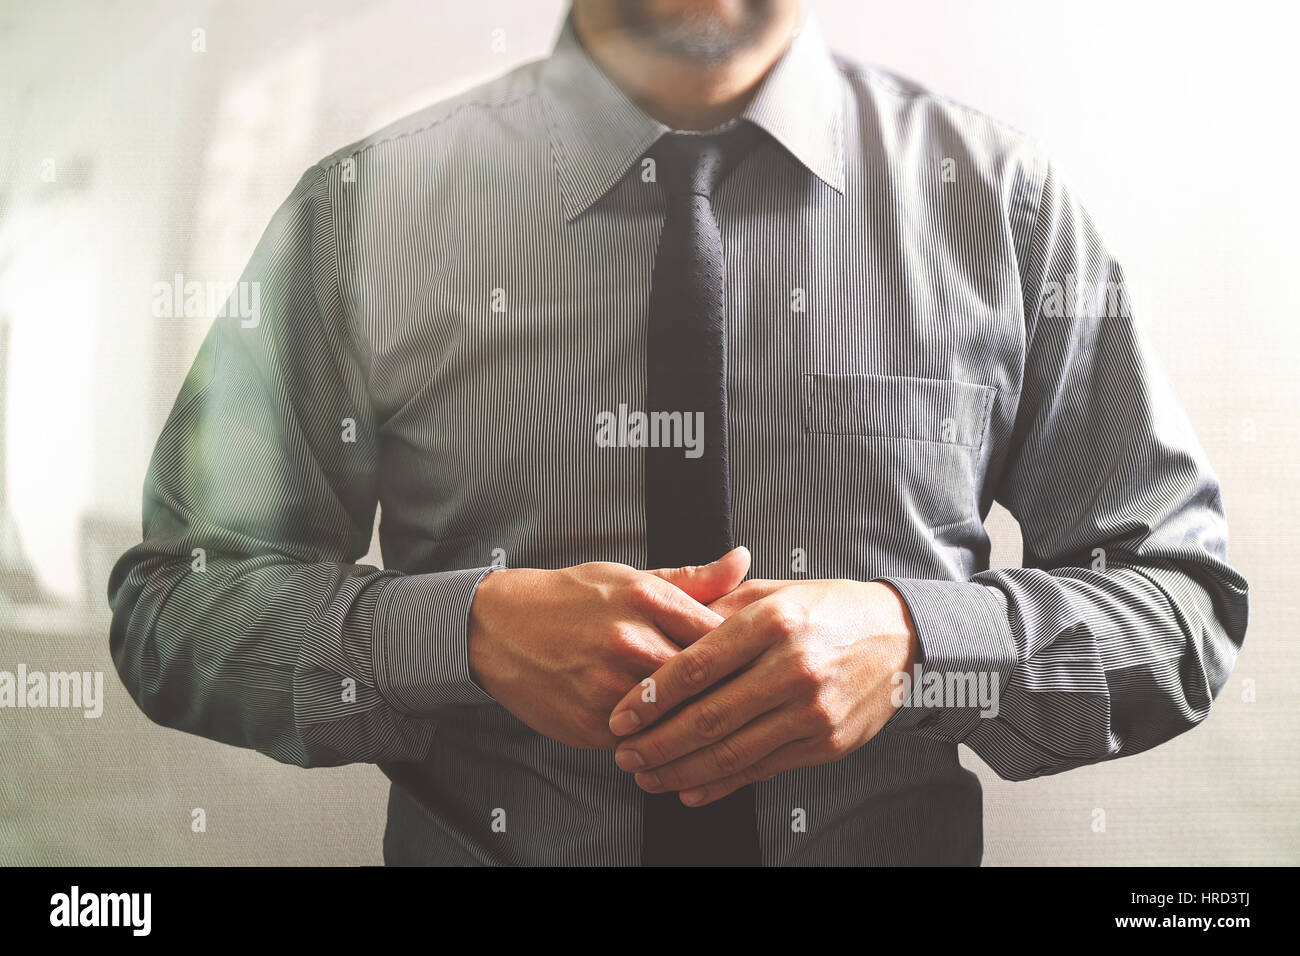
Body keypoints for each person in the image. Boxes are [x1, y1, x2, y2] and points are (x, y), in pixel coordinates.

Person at [109, 0, 1249, 866]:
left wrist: (918, 643)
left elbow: (1184, 604)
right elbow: (171, 603)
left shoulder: (1002, 205)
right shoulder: (359, 210)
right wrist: (461, 629)